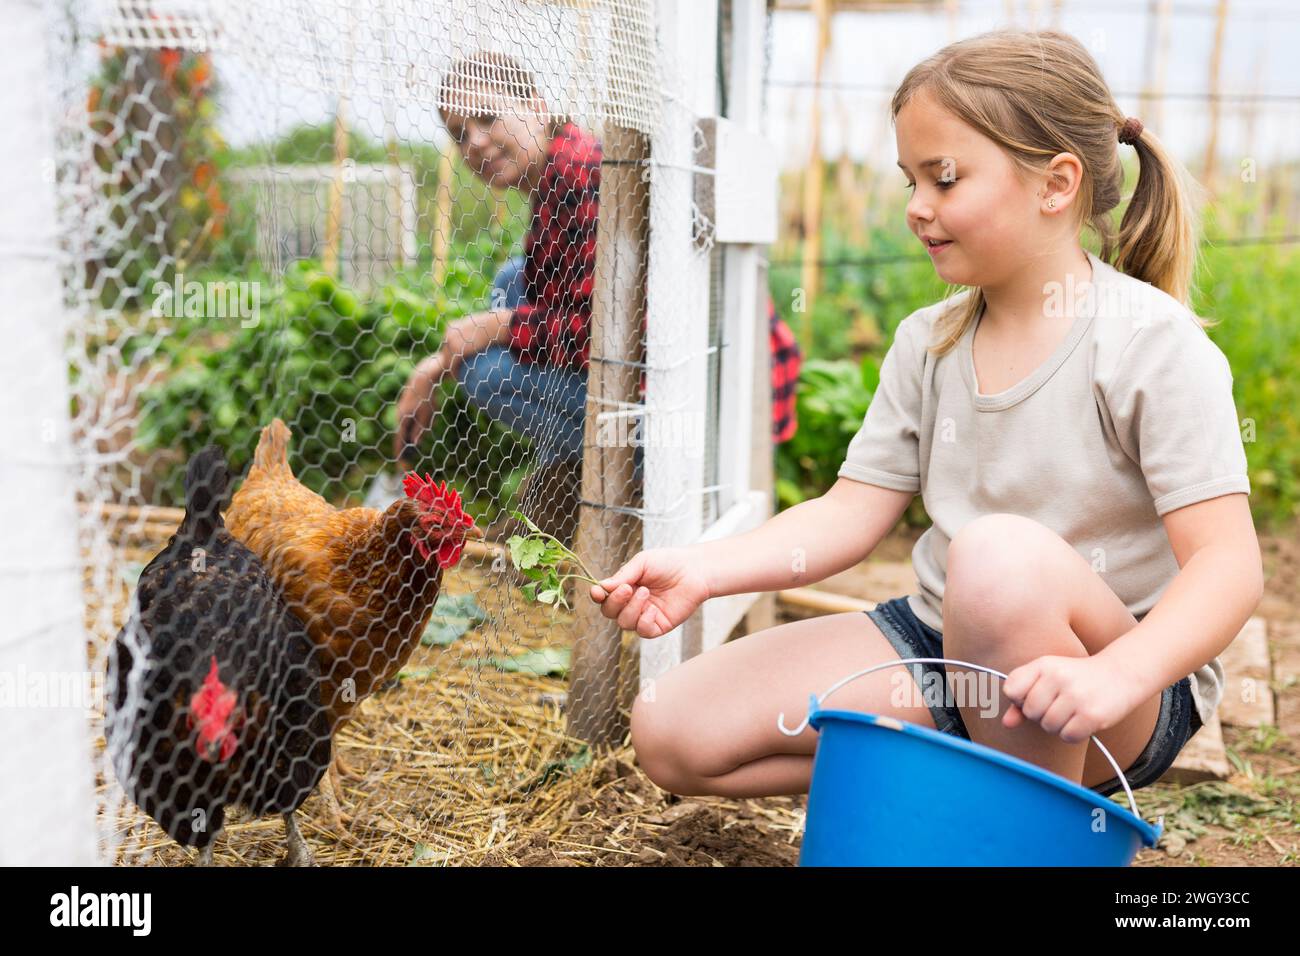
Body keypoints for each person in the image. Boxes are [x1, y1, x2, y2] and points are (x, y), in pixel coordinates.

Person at [590, 28, 1261, 804]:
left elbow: (1228, 566)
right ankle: (971, 770)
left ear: (1057, 184)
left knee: (998, 560)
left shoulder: (1149, 343)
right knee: (674, 731)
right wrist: (706, 570)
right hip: (943, 649)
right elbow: (849, 512)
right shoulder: (929, 340)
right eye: (910, 180)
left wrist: (1117, 675)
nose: (917, 208)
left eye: (944, 179)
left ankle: (1025, 834)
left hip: (1116, 688)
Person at [395, 51, 802, 547]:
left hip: (687, 412)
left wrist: (493, 330)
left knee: (483, 373)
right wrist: (437, 362)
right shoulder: (559, 173)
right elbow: (577, 312)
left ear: (537, 106)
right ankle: (562, 492)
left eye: (486, 117)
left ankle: (624, 482)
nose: (475, 141)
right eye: (459, 133)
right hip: (661, 377)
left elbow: (608, 333)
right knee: (512, 279)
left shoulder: (580, 176)